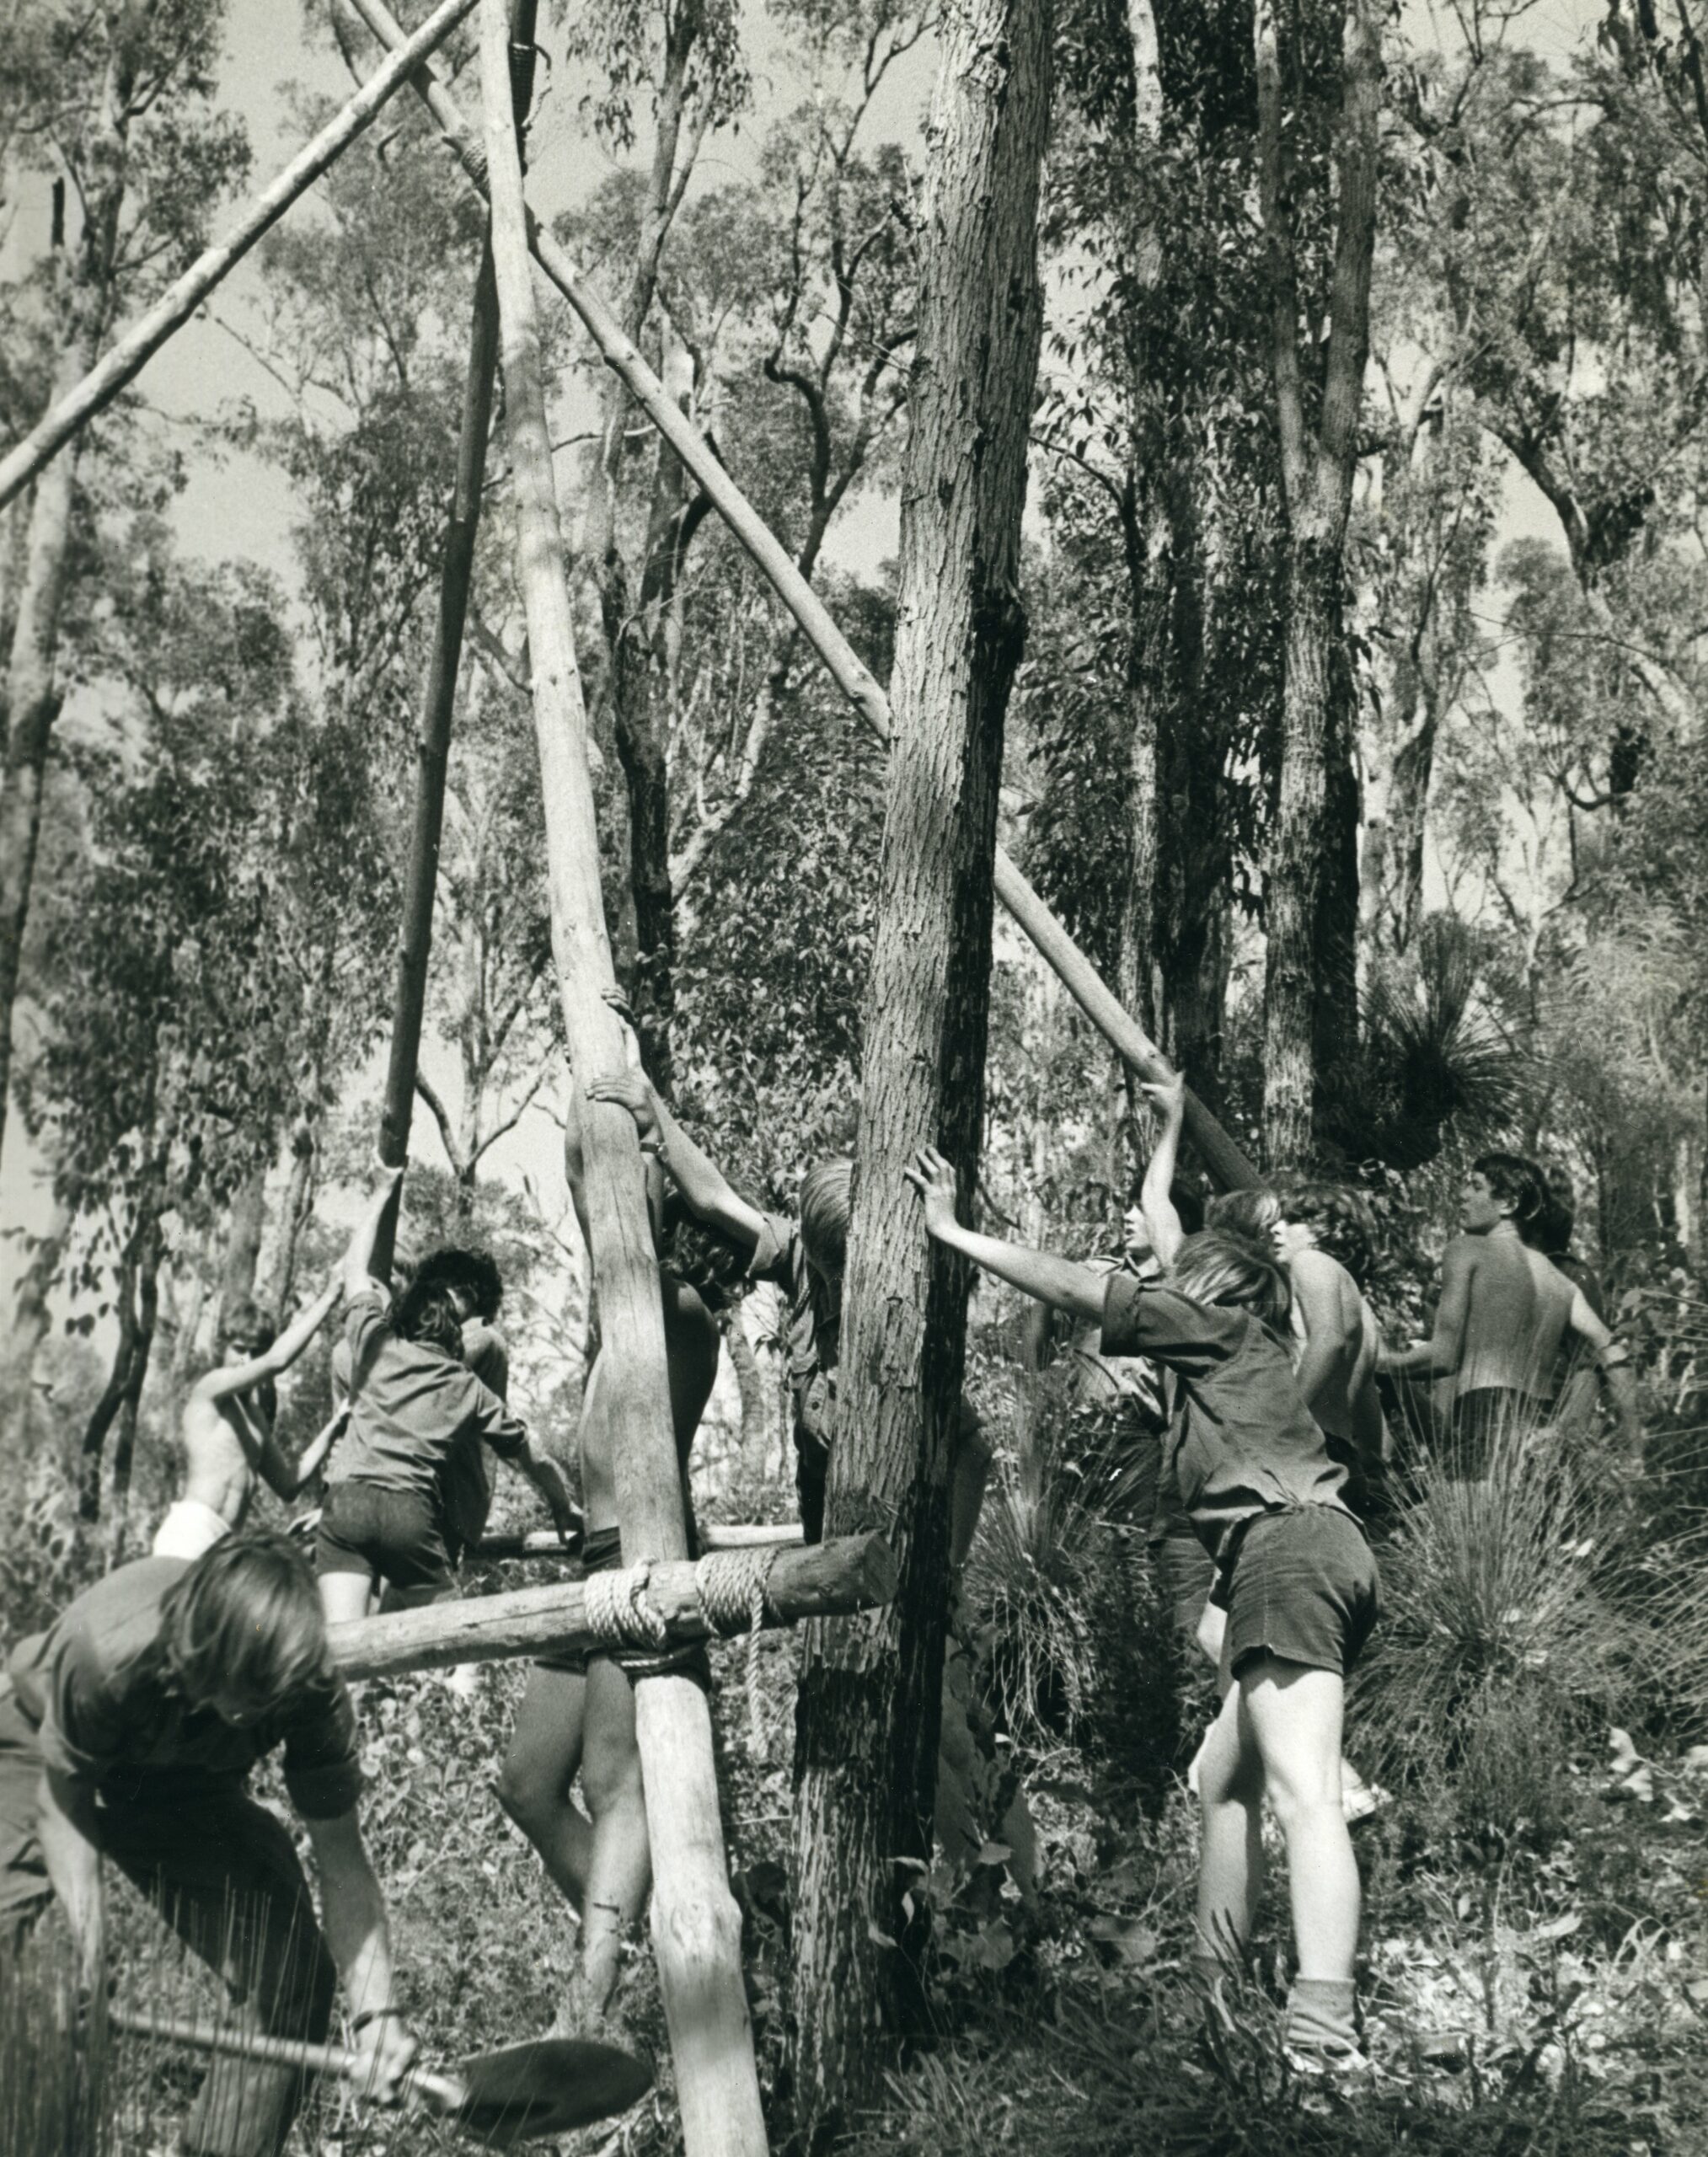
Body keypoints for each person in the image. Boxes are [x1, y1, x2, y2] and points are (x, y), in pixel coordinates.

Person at [906, 1143, 1379, 2066]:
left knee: (1305, 1795)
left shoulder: (1220, 1329)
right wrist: (1164, 1129)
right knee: (1221, 1779)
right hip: (1308, 1552)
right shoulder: (1246, 1356)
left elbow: (1083, 1289)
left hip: (1288, 1554)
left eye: (1174, 1283)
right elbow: (1161, 1233)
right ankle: (1214, 1999)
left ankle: (1324, 2036)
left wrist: (954, 1232)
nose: (1157, 1290)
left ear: (1204, 1292)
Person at [0, 1533, 418, 2156]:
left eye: (266, 1700)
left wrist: (376, 2016)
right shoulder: (109, 1650)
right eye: (244, 1694)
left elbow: (342, 1858)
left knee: (291, 1974)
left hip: (184, 1787)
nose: (255, 1714)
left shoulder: (308, 1688)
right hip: (43, 1749)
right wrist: (90, 1956)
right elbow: (63, 1807)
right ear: (202, 1648)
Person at [497, 1074, 721, 2035]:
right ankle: (650, 1931)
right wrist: (594, 1106)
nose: (611, 1200)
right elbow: (587, 1182)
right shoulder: (613, 1308)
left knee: (614, 1782)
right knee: (525, 1781)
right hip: (589, 1563)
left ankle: (590, 1998)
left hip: (638, 1560)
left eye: (638, 1186)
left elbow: (655, 1206)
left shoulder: (678, 1310)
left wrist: (654, 1135)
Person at [315, 1169, 576, 1624]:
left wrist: (381, 1191)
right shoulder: (449, 1376)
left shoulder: (397, 1345)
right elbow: (530, 1454)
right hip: (406, 1509)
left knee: (351, 1643)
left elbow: (354, 1271)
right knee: (446, 1636)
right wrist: (561, 1502)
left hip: (361, 1505)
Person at [1378, 1152, 1636, 1479]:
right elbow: (1614, 1353)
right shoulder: (1558, 1280)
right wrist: (1635, 1449)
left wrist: (1380, 1363)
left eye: (1475, 1186)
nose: (1462, 1195)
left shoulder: (1465, 1249)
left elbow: (1443, 1358)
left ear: (1509, 1203)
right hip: (1538, 1438)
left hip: (1484, 1419)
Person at [155, 1284, 350, 1562]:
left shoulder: (255, 1418)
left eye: (256, 1352)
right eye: (239, 1349)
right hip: (191, 1532)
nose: (246, 1360)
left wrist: (336, 1425)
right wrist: (330, 1296)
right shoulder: (210, 1390)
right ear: (222, 1348)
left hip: (225, 1545)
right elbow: (277, 1361)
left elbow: (288, 1484)